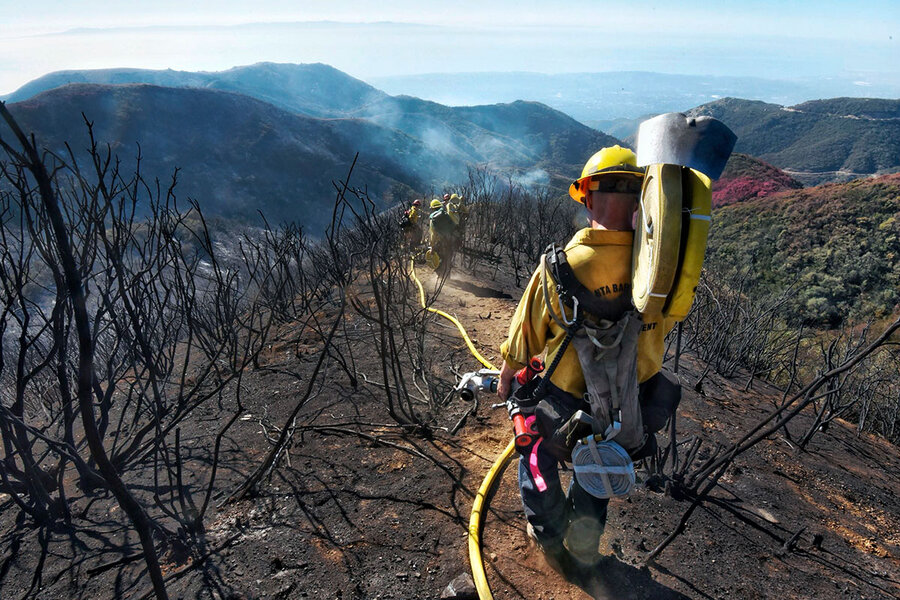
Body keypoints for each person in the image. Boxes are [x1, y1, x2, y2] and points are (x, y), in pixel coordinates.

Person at [496, 145, 682, 575]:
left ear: (587, 197)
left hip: (564, 403)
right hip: (634, 403)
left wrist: (508, 377)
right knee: (599, 468)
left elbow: (523, 340)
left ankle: (546, 532)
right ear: (644, 199)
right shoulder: (661, 272)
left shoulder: (561, 267)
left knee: (538, 460)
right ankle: (583, 543)